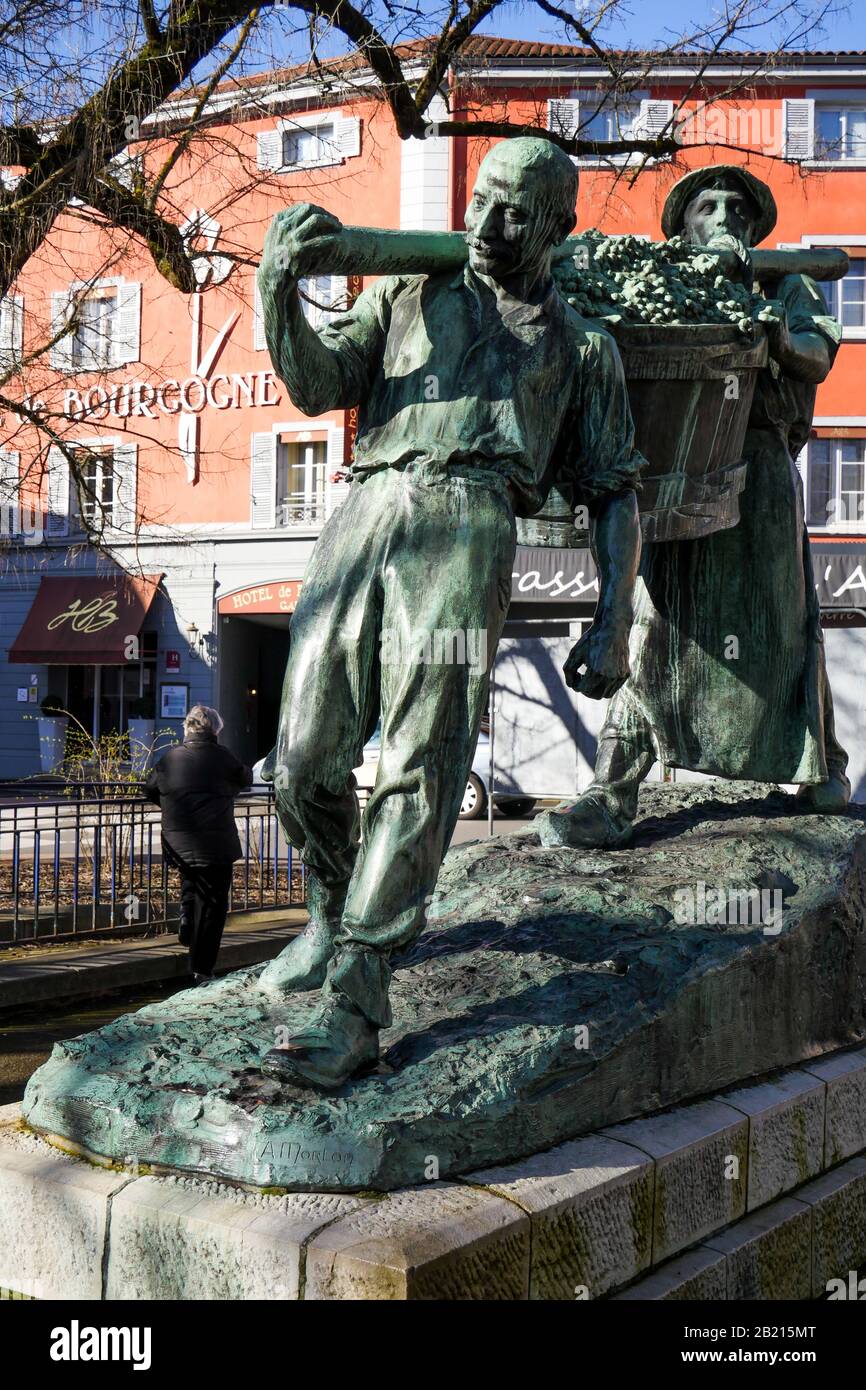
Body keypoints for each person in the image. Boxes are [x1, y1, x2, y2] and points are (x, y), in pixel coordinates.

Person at [255, 135, 646, 1089]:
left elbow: (616, 491)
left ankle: (356, 994)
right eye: (481, 200)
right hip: (365, 507)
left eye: (516, 212)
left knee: (424, 758)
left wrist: (610, 617)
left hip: (473, 524)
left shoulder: (581, 346)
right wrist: (276, 289)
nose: (485, 224)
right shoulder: (405, 293)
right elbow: (315, 385)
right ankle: (333, 909)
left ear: (557, 228)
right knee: (300, 755)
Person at [537, 164, 850, 851]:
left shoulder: (780, 281)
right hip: (673, 467)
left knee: (784, 619)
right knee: (650, 625)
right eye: (706, 206)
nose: (724, 216)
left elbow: (818, 352)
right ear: (681, 225)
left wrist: (770, 330)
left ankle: (825, 763)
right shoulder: (660, 282)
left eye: (737, 207)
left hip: (758, 465)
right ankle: (612, 793)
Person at [145, 704, 252, 983]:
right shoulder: (224, 758)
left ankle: (187, 918)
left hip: (178, 841)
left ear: (186, 728)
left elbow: (150, 788)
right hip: (216, 844)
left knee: (190, 882)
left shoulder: (170, 758)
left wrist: (173, 806)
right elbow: (245, 779)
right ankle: (202, 969)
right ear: (216, 730)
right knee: (214, 907)